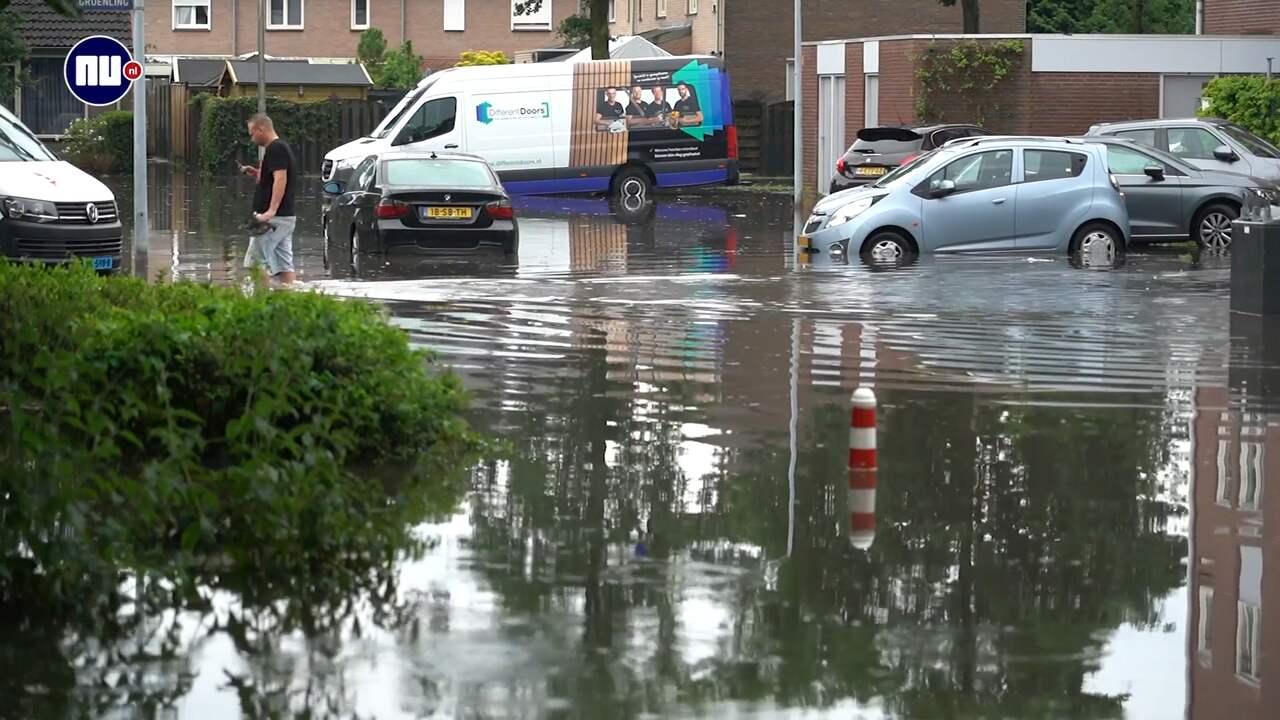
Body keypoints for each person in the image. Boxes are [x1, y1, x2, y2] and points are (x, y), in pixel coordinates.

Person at [239, 113, 297, 284]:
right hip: (284, 217)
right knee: (284, 266)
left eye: (252, 134)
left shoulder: (276, 148)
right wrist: (258, 173)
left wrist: (271, 211)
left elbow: (281, 178)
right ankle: (289, 296)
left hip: (273, 219)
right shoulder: (280, 148)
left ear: (261, 129)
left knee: (255, 262)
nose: (252, 139)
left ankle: (261, 298)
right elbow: (275, 176)